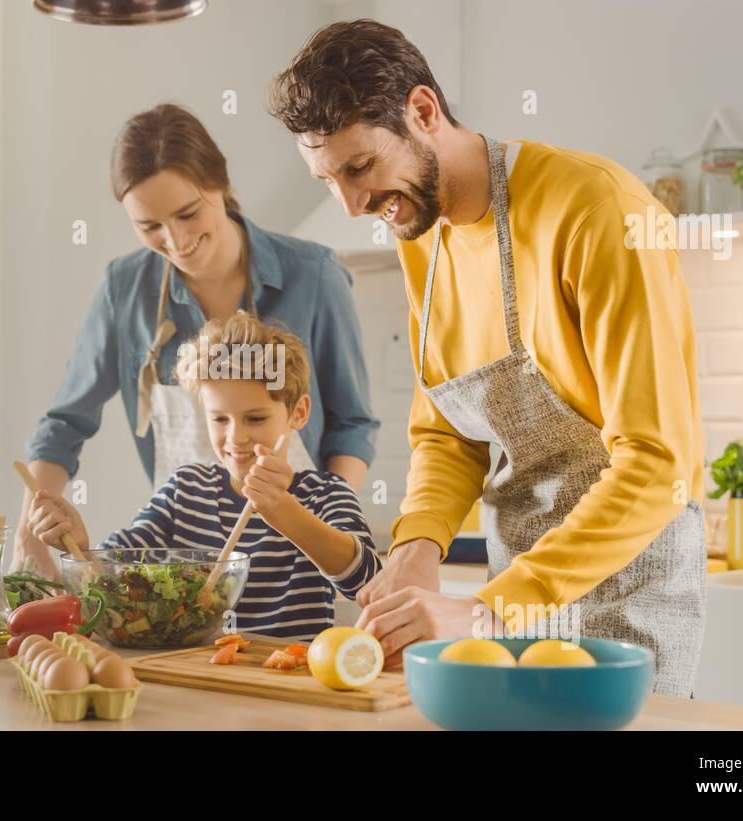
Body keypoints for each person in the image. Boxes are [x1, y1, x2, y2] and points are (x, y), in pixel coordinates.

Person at [268, 20, 706, 696]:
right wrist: (417, 551)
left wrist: (487, 608)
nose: (353, 204)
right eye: (327, 180)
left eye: (359, 167)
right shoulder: (420, 232)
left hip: (627, 600)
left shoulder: (595, 209)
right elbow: (448, 432)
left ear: (423, 111)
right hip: (513, 601)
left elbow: (659, 460)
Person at [17, 104, 379, 579]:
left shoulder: (313, 275)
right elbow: (64, 425)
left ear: (220, 185)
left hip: (301, 559)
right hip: (185, 558)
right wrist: (30, 539)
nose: (177, 239)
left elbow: (352, 423)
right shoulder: (124, 289)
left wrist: (323, 522)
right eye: (150, 227)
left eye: (188, 213)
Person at [28, 313, 380, 641]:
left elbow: (366, 580)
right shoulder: (187, 490)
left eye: (255, 419)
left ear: (298, 413)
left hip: (290, 683)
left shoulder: (325, 494)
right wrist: (81, 546)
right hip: (197, 681)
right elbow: (114, 574)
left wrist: (282, 510)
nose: (236, 438)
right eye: (219, 419)